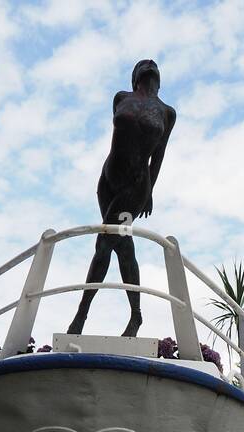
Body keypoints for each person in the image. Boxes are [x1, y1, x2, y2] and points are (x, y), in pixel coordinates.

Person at [67, 60, 176, 338]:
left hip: (136, 188)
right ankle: (136, 316)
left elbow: (158, 155)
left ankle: (81, 314)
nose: (150, 65)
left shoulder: (167, 113)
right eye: (143, 66)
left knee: (104, 243)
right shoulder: (121, 98)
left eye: (153, 67)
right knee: (123, 247)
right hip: (107, 182)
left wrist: (150, 191)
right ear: (135, 76)